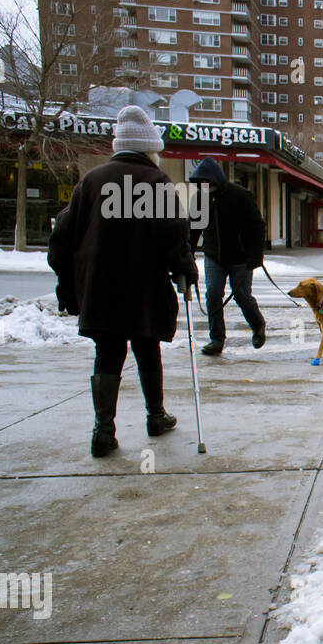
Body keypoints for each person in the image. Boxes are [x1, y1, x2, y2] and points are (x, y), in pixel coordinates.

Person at [48, 105, 198, 458]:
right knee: (147, 346)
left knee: (108, 353)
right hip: (143, 285)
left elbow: (62, 238)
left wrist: (68, 283)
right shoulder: (156, 182)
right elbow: (175, 237)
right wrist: (185, 268)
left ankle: (103, 430)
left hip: (100, 285)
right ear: (150, 149)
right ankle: (155, 415)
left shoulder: (92, 180)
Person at [188, 156, 266, 356]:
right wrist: (187, 253)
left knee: (242, 295)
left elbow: (257, 226)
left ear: (217, 179)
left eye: (208, 181)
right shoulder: (200, 199)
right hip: (214, 256)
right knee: (213, 294)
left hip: (241, 257)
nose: (205, 185)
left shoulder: (240, 196)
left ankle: (257, 324)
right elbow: (193, 230)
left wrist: (255, 256)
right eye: (201, 182)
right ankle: (217, 340)